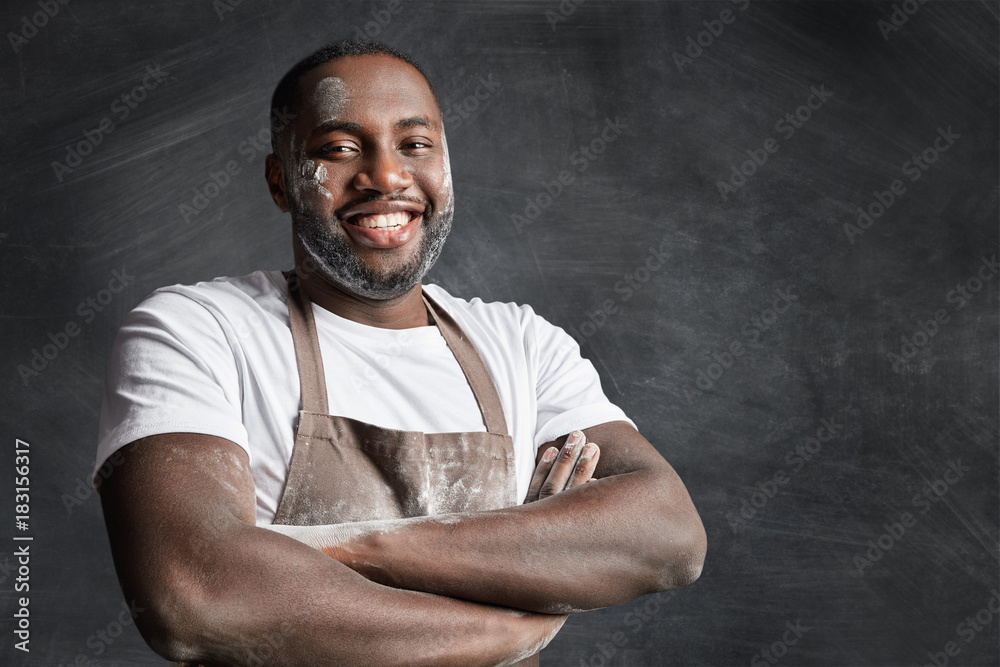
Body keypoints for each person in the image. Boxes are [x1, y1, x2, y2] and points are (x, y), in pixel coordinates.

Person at [96, 39, 707, 667]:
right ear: (280, 182)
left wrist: (337, 548)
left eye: (416, 145)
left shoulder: (522, 344)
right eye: (339, 148)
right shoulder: (198, 332)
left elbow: (667, 537)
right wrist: (517, 617)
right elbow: (197, 596)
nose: (386, 177)